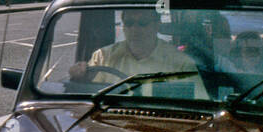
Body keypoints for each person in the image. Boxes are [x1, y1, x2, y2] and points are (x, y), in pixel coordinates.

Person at [69, 9, 199, 88]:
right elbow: (88, 97)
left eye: (142, 24)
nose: (135, 30)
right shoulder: (103, 57)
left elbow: (197, 105)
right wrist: (78, 78)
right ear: (124, 26)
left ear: (157, 26)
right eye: (129, 23)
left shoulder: (181, 63)